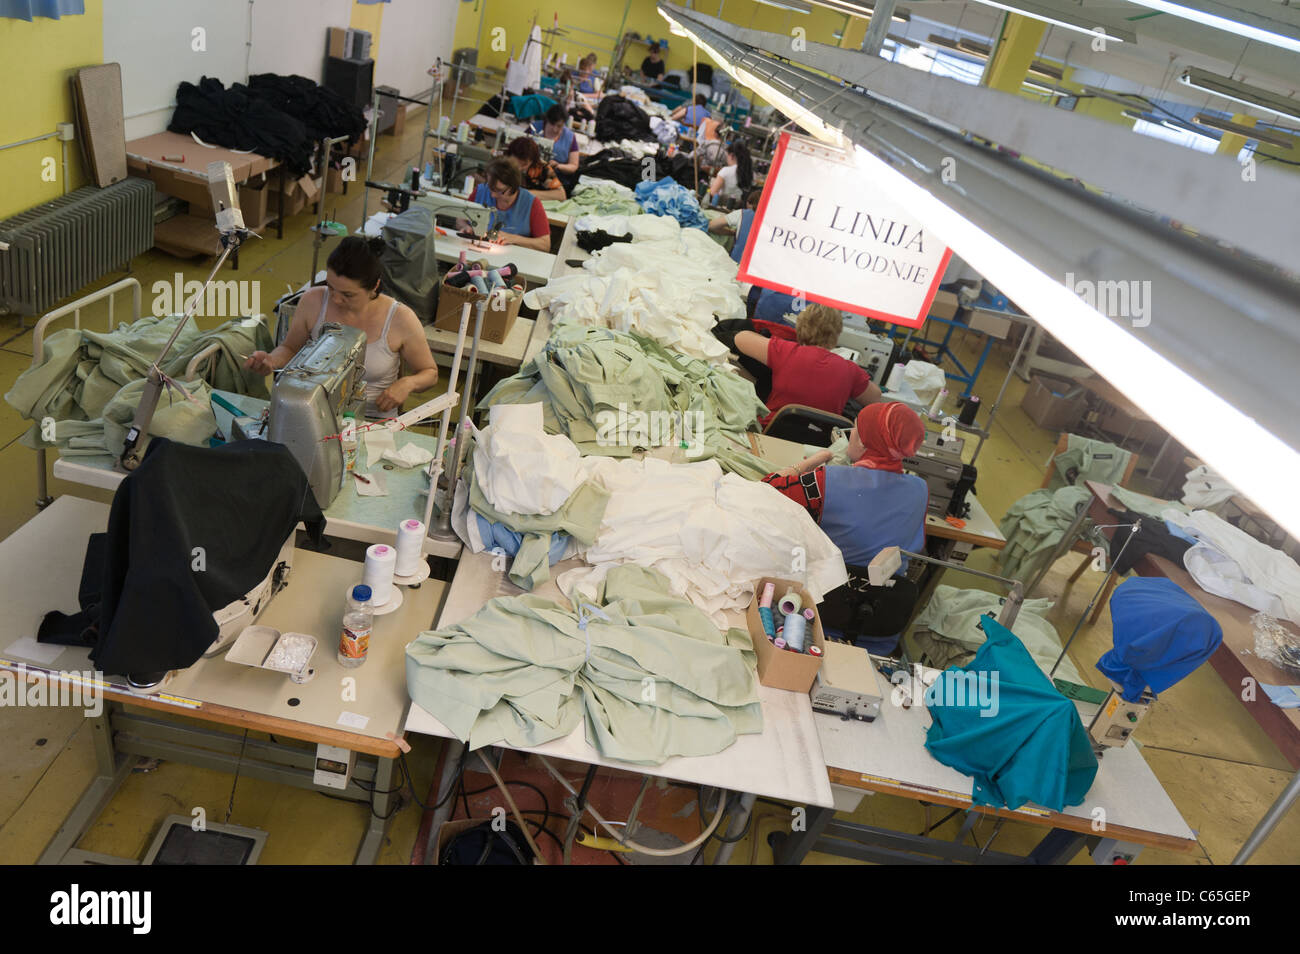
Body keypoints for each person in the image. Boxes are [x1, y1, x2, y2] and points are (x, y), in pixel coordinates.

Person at [761, 402, 928, 653]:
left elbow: (766, 490)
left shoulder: (828, 480)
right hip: (876, 633)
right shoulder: (920, 490)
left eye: (855, 430)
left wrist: (817, 460)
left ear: (863, 443)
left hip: (809, 620)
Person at [244, 236, 439, 419]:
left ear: (374, 287)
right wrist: (271, 360)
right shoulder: (313, 300)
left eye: (348, 294)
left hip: (372, 420)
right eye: (330, 287)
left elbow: (430, 373)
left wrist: (407, 383)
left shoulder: (400, 318)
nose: (336, 299)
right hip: (313, 414)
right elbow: (290, 348)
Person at [731, 303, 883, 428]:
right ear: (837, 333)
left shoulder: (785, 351)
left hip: (771, 433)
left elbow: (740, 337)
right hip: (819, 446)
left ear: (800, 326)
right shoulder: (850, 370)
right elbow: (876, 397)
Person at [463, 158, 552, 252]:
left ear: (514, 186)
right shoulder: (481, 191)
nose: (492, 195)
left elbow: (545, 244)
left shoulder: (531, 203)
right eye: (490, 187)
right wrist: (465, 227)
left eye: (499, 190)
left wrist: (514, 239)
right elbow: (460, 219)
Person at [707, 186, 761, 263]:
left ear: (748, 203)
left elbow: (711, 226)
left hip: (736, 263)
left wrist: (731, 233)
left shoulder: (742, 214)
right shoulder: (771, 222)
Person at [504, 136, 566, 201]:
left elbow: (561, 195)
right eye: (514, 163)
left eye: (524, 165)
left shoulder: (541, 167)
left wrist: (524, 193)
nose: (519, 168)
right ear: (508, 156)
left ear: (532, 161)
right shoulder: (501, 163)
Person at [530, 104, 579, 176]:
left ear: (564, 123)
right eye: (552, 124)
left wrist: (558, 166)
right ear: (547, 119)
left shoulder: (570, 137)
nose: (555, 129)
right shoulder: (534, 128)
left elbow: (574, 166)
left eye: (559, 126)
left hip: (556, 176)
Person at [708, 141, 753, 206]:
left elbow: (712, 192)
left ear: (732, 156)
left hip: (722, 207)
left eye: (727, 156)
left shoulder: (726, 171)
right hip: (737, 210)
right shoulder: (749, 173)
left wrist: (710, 188)